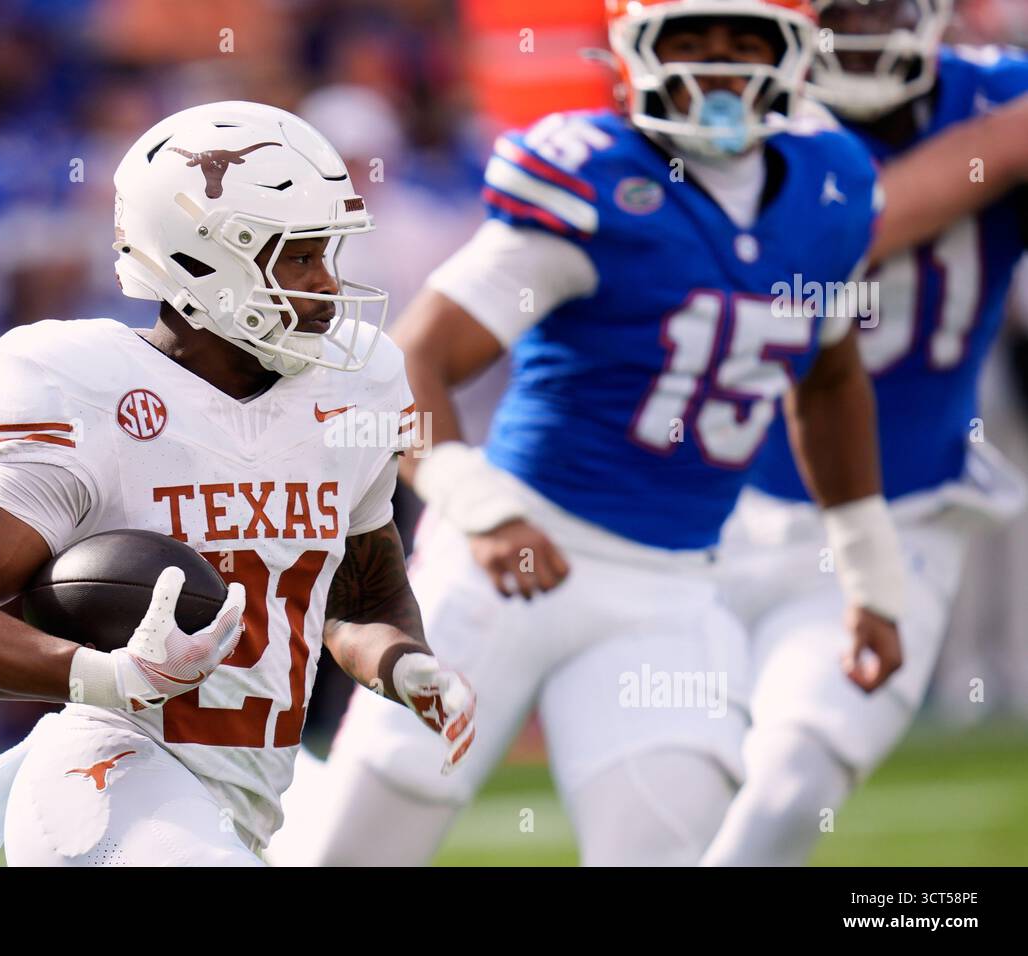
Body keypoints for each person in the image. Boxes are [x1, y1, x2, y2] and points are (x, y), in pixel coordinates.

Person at [268, 0, 907, 867]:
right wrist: (477, 505)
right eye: (691, 41)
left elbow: (829, 381)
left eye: (743, 43)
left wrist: (868, 573)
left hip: (671, 589)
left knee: (664, 850)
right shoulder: (594, 178)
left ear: (791, 54)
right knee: (350, 856)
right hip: (511, 561)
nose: (718, 67)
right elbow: (410, 358)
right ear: (635, 51)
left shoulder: (829, 189)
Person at [0, 101, 475, 866]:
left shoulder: (355, 388)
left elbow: (355, 600)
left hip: (246, 795)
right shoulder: (92, 391)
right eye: (298, 258)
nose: (329, 286)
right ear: (205, 260)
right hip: (106, 775)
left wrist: (405, 663)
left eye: (328, 254)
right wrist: (109, 676)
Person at [702, 0, 1028, 866]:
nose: (866, 23)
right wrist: (992, 150)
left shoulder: (999, 91)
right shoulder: (729, 101)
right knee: (666, 802)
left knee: (790, 781)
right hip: (707, 513)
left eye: (885, 3)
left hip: (901, 519)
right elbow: (838, 235)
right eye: (845, 6)